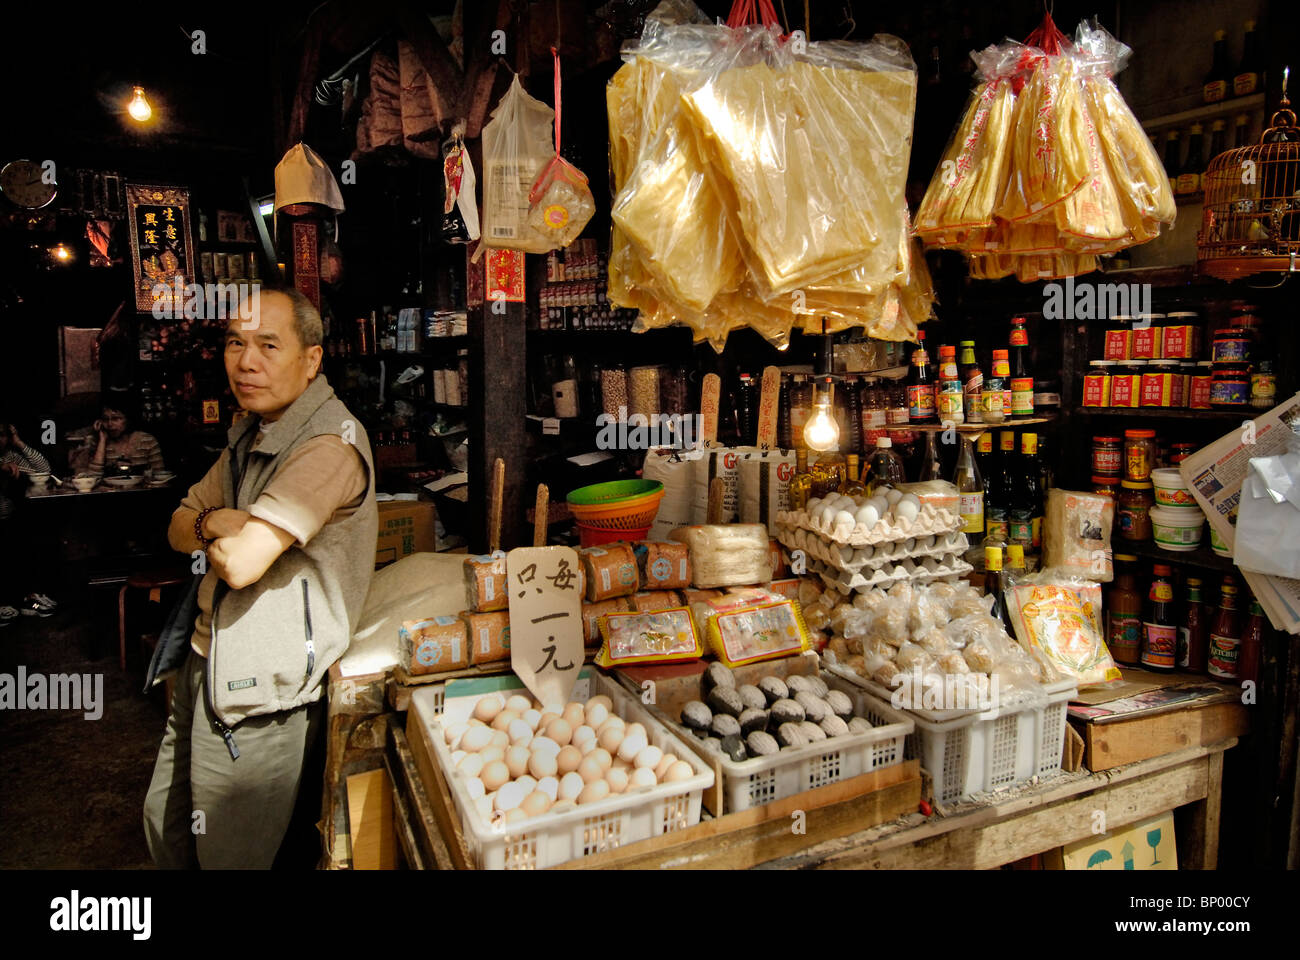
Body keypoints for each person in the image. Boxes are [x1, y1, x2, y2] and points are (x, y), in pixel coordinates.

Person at [143, 288, 377, 869]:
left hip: (260, 691)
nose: (246, 362)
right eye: (235, 344)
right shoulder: (252, 433)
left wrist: (216, 530)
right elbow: (175, 524)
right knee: (167, 828)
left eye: (268, 345)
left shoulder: (328, 444)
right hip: (204, 663)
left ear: (312, 359)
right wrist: (218, 520)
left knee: (229, 853)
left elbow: (241, 564)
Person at [0, 420, 58, 623]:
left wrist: (18, 443)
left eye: (2, 435)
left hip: (7, 518)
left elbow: (44, 469)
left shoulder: (10, 454)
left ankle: (28, 600)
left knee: (32, 532)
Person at [69, 399, 165, 477]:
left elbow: (159, 476)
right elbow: (93, 477)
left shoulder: (147, 440)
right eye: (106, 419)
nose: (110, 424)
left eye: (116, 419)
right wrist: (102, 440)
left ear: (127, 420)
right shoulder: (98, 443)